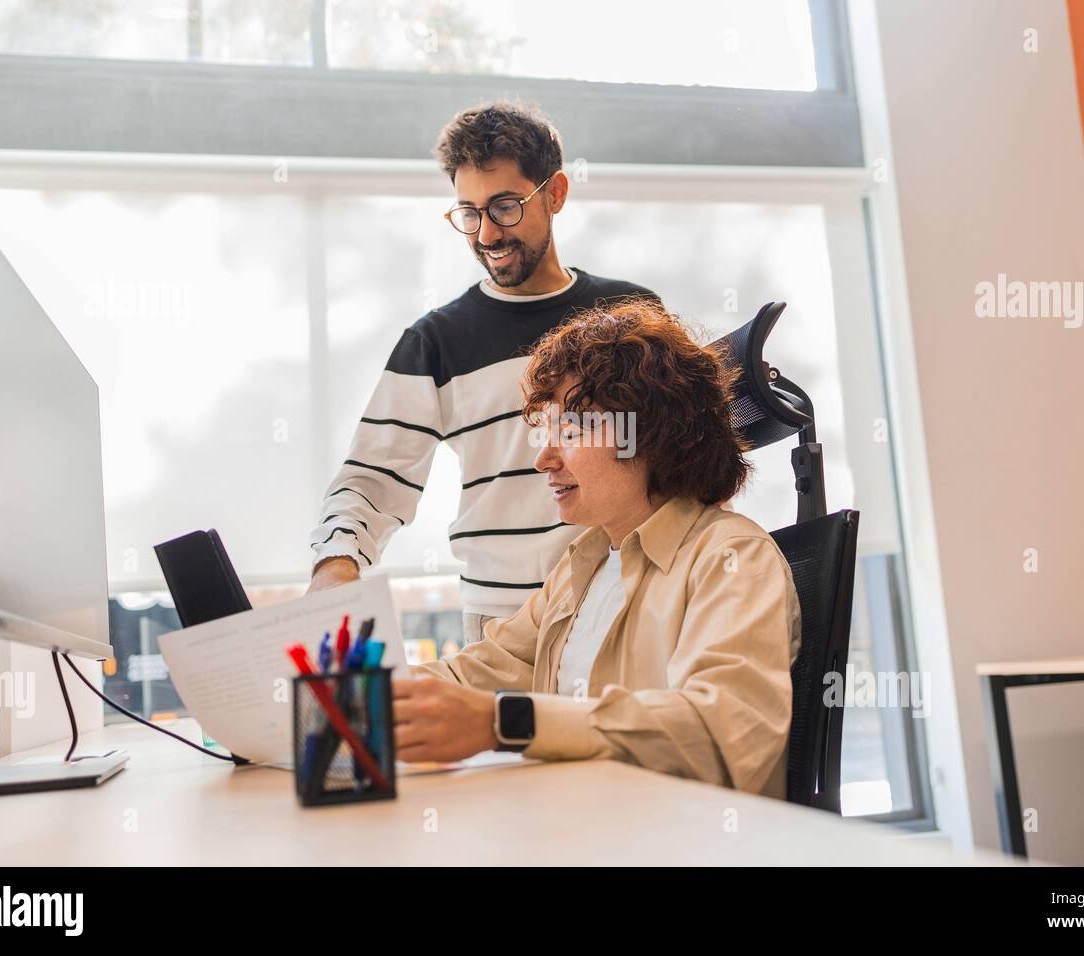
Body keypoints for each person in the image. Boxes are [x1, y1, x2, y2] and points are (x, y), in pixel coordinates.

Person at [392, 300, 801, 798]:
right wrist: (360, 697)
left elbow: (719, 734)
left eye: (571, 430)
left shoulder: (732, 557)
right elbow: (473, 674)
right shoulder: (582, 566)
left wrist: (507, 722)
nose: (544, 458)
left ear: (650, 433)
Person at [307, 102, 659, 647]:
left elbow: (685, 454)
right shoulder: (436, 343)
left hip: (629, 599)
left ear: (556, 193)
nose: (487, 234)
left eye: (505, 207)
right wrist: (335, 563)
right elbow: (374, 476)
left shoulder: (633, 315)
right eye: (468, 213)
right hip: (503, 623)